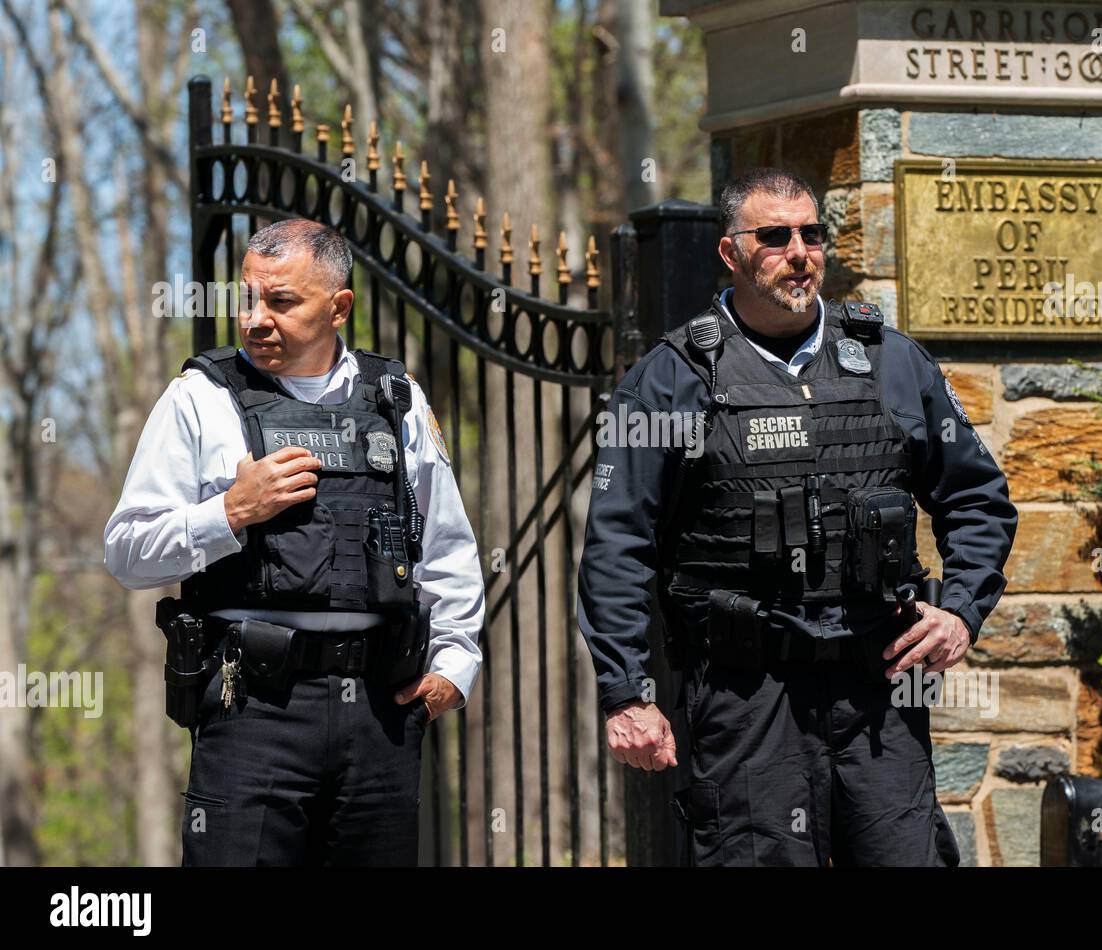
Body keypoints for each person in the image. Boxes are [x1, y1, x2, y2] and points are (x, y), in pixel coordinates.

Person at [577, 167, 1017, 866]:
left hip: (880, 685)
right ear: (730, 254)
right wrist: (626, 692)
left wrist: (961, 610)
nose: (800, 252)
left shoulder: (890, 362)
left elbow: (977, 499)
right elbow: (617, 543)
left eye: (812, 234)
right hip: (746, 695)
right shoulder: (671, 380)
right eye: (775, 236)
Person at [104, 219, 484, 866]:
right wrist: (228, 512)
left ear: (340, 307)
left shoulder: (398, 401)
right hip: (253, 709)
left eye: (280, 302)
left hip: (380, 711)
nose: (255, 319)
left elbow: (446, 546)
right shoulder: (201, 399)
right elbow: (127, 550)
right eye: (247, 298)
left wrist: (455, 667)